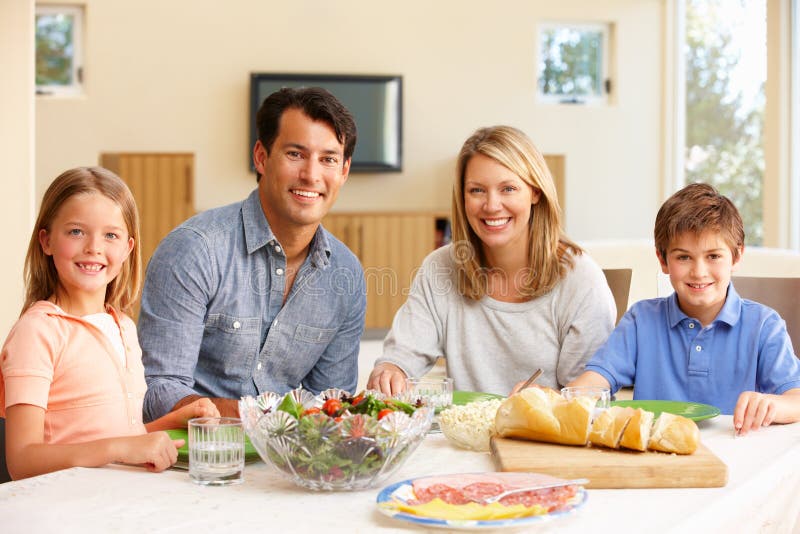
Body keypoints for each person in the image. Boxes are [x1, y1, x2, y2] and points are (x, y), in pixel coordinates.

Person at [139, 87, 366, 421]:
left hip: (285, 458)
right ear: (261, 157)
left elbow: (331, 405)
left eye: (328, 159)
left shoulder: (345, 273)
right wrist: (261, 417)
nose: (312, 175)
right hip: (191, 459)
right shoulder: (194, 249)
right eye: (295, 154)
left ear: (344, 171)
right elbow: (160, 394)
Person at [0, 167, 218, 480]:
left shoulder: (124, 327)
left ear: (128, 249)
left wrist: (173, 421)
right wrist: (121, 448)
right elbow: (22, 460)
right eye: (76, 232)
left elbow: (116, 437)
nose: (94, 247)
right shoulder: (37, 332)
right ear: (46, 241)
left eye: (110, 235)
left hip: (117, 499)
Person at [367, 126, 616, 396]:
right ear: (462, 197)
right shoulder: (440, 267)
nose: (491, 205)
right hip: (463, 437)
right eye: (477, 190)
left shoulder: (580, 278)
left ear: (535, 192)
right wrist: (392, 370)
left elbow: (586, 399)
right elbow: (403, 355)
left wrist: (547, 402)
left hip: (546, 437)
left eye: (508, 188)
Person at [568, 183, 800, 434]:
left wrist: (772, 405)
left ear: (736, 257)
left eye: (713, 256)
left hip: (739, 457)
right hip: (654, 458)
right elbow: (595, 382)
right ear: (663, 260)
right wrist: (559, 400)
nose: (699, 272)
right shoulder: (640, 320)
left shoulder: (765, 325)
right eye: (683, 257)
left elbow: (796, 399)